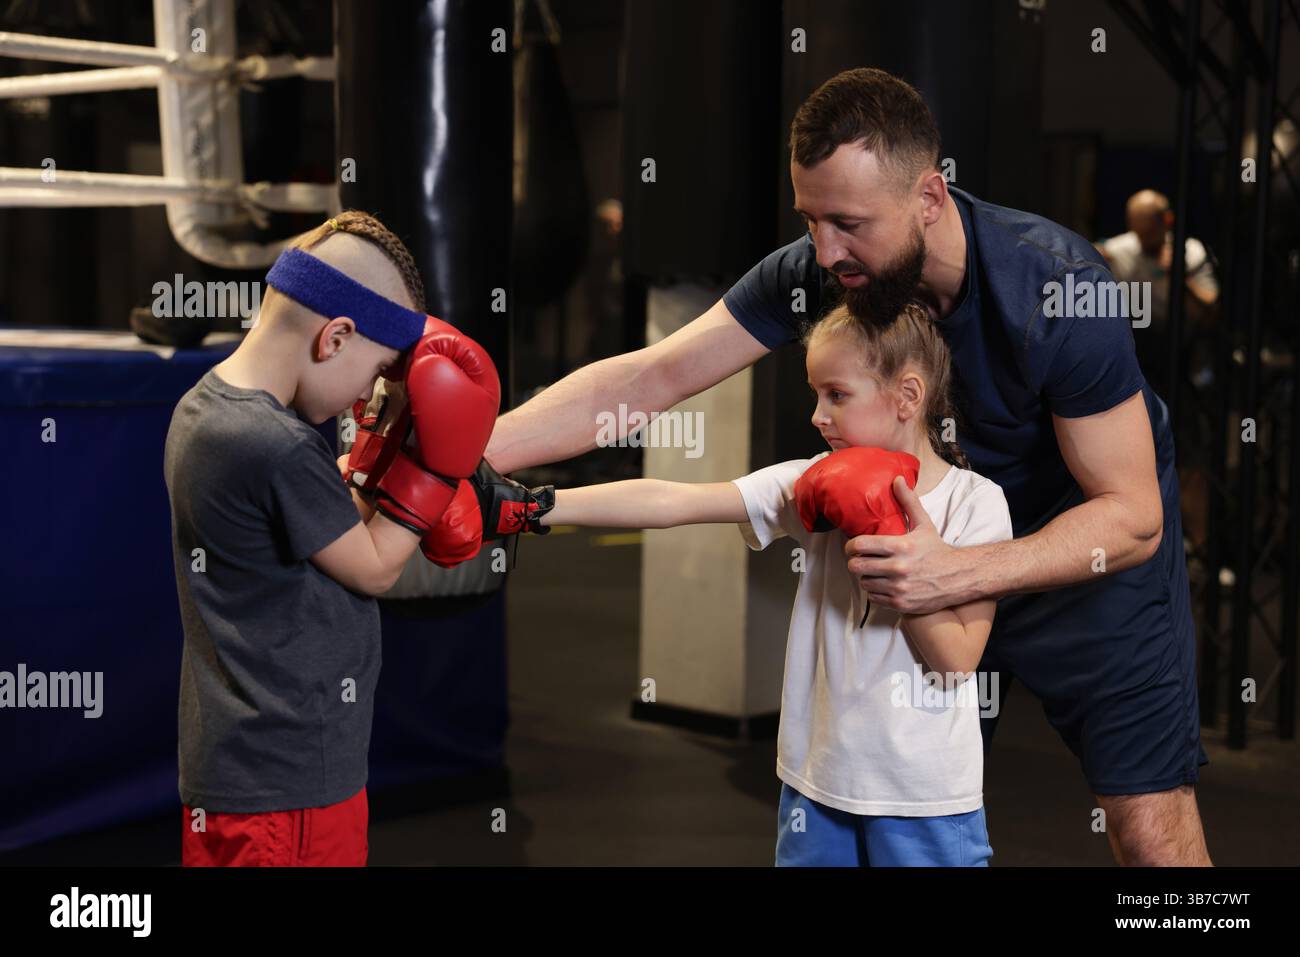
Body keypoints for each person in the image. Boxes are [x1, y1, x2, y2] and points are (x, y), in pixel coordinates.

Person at [468, 68, 1213, 865]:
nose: (826, 250)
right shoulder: (818, 273)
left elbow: (1133, 515)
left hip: (1084, 560)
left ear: (929, 197)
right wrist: (465, 454)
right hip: (925, 558)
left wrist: (956, 571)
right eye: (811, 219)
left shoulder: (1055, 289)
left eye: (850, 222)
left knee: (1147, 826)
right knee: (912, 792)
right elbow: (650, 378)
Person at [480, 301, 1012, 866]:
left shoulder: (974, 504)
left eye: (836, 394)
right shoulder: (811, 483)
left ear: (907, 395)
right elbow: (675, 502)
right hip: (816, 785)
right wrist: (532, 507)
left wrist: (888, 538)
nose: (817, 415)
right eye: (814, 395)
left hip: (924, 801)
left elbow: (956, 660)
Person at [163, 211, 497, 866]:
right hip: (290, 788)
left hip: (236, 768)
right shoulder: (276, 443)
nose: (368, 397)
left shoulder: (206, 409)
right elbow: (373, 567)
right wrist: (434, 467)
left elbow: (327, 523)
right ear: (335, 337)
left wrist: (379, 451)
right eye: (376, 372)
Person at [1098, 189, 1219, 553]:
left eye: (1147, 231)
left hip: (1184, 365)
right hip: (1136, 363)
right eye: (1135, 231)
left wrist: (1175, 274)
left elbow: (1211, 314)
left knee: (1191, 461)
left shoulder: (1191, 253)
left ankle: (1198, 549)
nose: (1140, 240)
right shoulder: (1121, 248)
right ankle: (1139, 547)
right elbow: (1091, 252)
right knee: (1132, 458)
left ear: (1165, 223)